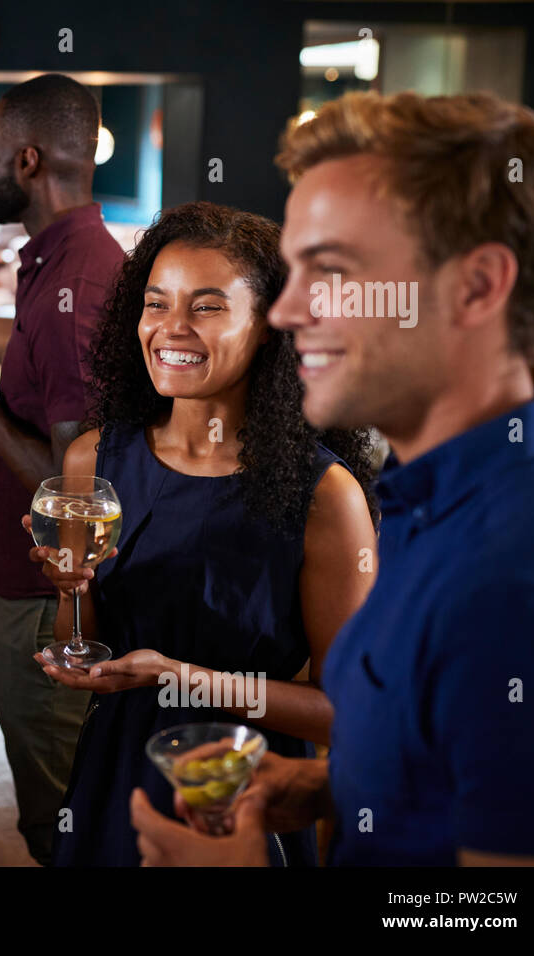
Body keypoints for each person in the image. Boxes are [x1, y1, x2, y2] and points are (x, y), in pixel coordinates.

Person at [134, 91, 534, 866]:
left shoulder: (523, 572)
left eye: (330, 269)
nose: (289, 310)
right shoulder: (422, 503)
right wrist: (327, 786)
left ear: (476, 287)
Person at [25, 201, 379, 867]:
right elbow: (82, 644)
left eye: (207, 306)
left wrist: (181, 678)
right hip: (117, 769)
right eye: (156, 303)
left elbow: (347, 715)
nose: (171, 328)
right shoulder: (94, 462)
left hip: (246, 787)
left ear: (272, 326)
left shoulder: (326, 497)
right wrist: (69, 589)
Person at [0, 72, 126, 865]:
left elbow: (76, 487)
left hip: (53, 606)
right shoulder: (61, 259)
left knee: (61, 826)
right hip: (40, 592)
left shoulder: (77, 279)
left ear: (29, 160)